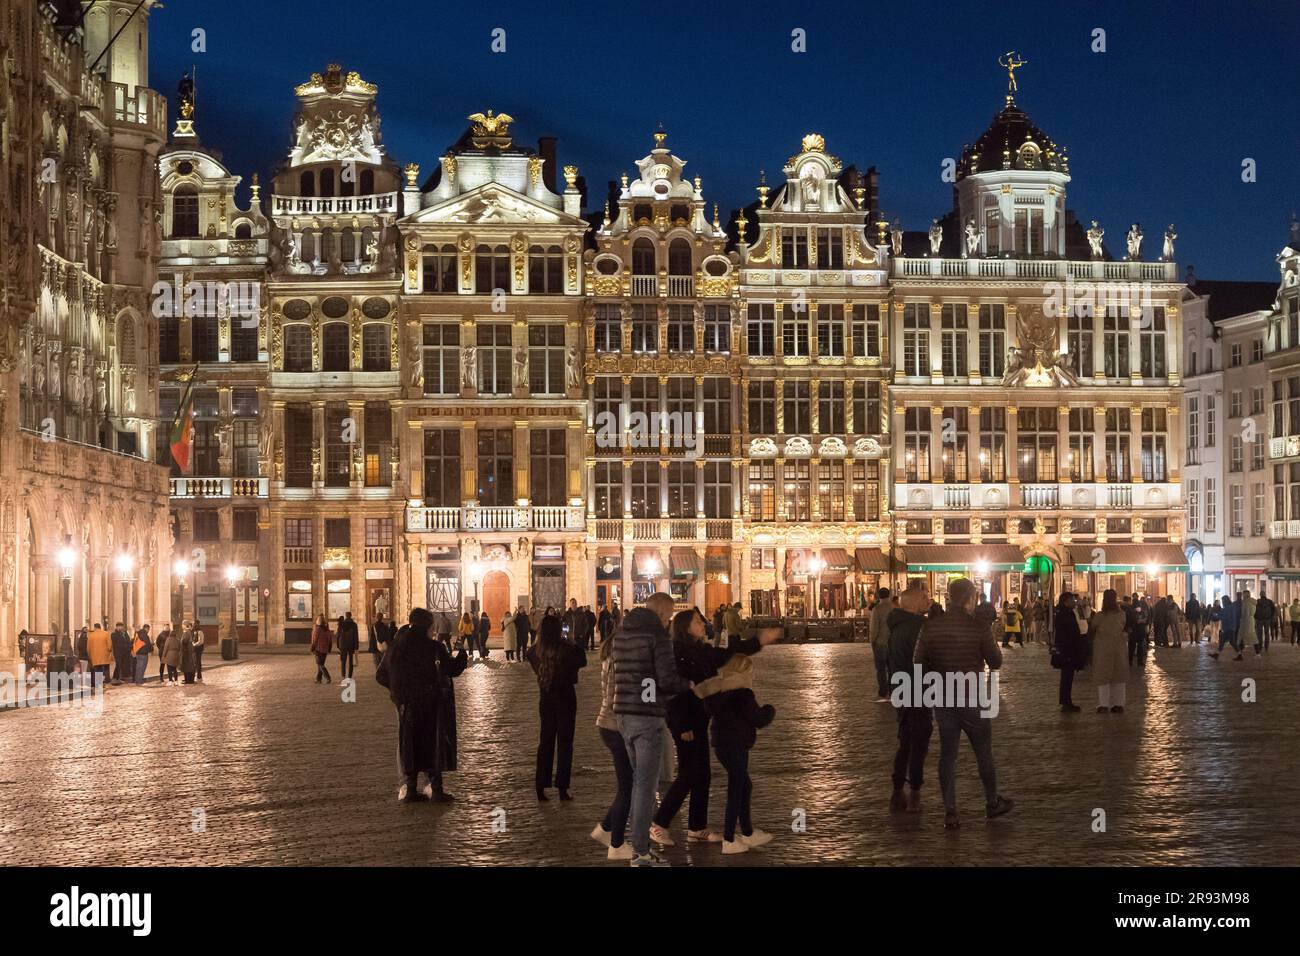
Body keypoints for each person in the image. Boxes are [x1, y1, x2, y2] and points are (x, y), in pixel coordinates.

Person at [652, 607, 773, 845]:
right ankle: (659, 823)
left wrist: (759, 641)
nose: (703, 624)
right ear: (685, 627)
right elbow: (671, 693)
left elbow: (727, 653)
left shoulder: (701, 650)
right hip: (684, 721)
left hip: (699, 718)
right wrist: (682, 726)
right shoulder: (676, 653)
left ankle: (697, 827)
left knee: (703, 774)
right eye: (698, 621)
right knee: (688, 774)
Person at [913, 578, 1012, 830]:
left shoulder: (930, 627)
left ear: (949, 596)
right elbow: (996, 661)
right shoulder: (978, 627)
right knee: (983, 753)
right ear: (970, 598)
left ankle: (951, 812)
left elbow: (918, 663)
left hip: (944, 700)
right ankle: (991, 803)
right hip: (973, 698)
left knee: (948, 755)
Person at [612, 592, 689, 867]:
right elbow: (666, 680)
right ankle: (641, 853)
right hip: (647, 717)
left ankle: (640, 847)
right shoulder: (658, 636)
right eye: (668, 616)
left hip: (623, 713)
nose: (669, 622)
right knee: (646, 785)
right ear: (660, 614)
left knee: (637, 783)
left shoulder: (621, 634)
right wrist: (688, 684)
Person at [376, 607, 468, 802]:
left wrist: (398, 694)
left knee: (410, 744)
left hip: (407, 705)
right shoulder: (434, 648)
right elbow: (452, 669)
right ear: (427, 626)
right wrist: (462, 653)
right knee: (432, 745)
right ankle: (436, 789)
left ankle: (410, 789)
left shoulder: (397, 647)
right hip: (431, 704)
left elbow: (381, 675)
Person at [694, 650, 776, 854]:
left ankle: (747, 831)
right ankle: (729, 839)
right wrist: (769, 709)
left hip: (723, 743)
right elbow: (758, 719)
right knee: (736, 788)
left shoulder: (718, 691)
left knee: (744, 785)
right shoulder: (742, 693)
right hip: (736, 743)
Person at [527, 614, 587, 801]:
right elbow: (582, 660)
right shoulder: (567, 649)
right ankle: (562, 786)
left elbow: (531, 655)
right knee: (564, 743)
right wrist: (570, 640)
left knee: (545, 742)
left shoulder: (535, 652)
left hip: (546, 698)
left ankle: (540, 785)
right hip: (566, 698)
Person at [886, 582, 933, 812]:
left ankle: (897, 790)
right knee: (919, 743)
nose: (929, 600)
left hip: (901, 690)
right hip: (920, 690)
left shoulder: (896, 626)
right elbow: (929, 660)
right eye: (925, 597)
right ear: (914, 604)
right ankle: (914, 792)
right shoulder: (920, 627)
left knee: (905, 741)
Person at [591, 619, 634, 861]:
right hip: (616, 726)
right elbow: (622, 694)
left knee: (628, 784)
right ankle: (617, 844)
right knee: (628, 787)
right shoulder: (622, 656)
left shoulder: (613, 651)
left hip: (609, 724)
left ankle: (607, 829)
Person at [1088, 589, 1129, 713]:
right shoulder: (1121, 615)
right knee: (1119, 677)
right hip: (1118, 649)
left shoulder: (1099, 616)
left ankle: (1104, 704)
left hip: (1102, 650)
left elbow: (1093, 628)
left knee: (1103, 677)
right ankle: (1119, 704)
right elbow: (1124, 626)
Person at [1054, 592, 1086, 713]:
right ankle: (1066, 703)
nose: (1074, 602)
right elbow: (1067, 634)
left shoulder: (1068, 613)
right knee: (1067, 676)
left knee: (1068, 676)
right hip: (1067, 650)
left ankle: (1066, 701)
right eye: (1072, 600)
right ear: (1066, 601)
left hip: (1069, 649)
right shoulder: (1064, 614)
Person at [868, 587, 892, 702]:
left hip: (881, 643)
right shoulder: (895, 608)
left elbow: (874, 629)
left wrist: (872, 641)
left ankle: (883, 693)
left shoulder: (877, 609)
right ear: (889, 595)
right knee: (892, 668)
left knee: (881, 669)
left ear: (878, 596)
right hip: (893, 643)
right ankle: (893, 691)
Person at [1210, 594, 1242, 661]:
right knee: (1229, 641)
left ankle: (1239, 655)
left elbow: (1224, 616)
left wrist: (1216, 615)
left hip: (1228, 627)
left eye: (1223, 601)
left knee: (1227, 641)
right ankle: (1217, 654)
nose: (1222, 602)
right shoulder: (1231, 607)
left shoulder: (1228, 608)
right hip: (1231, 627)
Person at [86, 622, 112, 689]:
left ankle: (98, 684)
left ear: (95, 628)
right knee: (106, 669)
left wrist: (89, 655)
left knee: (97, 669)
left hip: (95, 655)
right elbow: (109, 645)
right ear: (100, 627)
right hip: (105, 655)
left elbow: (88, 647)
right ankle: (107, 683)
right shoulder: (106, 633)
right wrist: (109, 651)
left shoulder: (91, 635)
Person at [310, 614, 333, 683]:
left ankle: (328, 677)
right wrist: (329, 648)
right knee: (320, 664)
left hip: (318, 649)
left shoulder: (317, 629)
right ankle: (318, 679)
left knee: (320, 664)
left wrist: (312, 648)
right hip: (325, 649)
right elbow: (330, 640)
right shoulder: (327, 630)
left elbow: (314, 640)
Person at [337, 612, 359, 680]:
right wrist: (356, 646)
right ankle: (349, 676)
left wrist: (338, 646)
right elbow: (356, 636)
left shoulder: (341, 624)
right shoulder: (354, 625)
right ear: (350, 616)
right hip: (351, 644)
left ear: (346, 616)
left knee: (343, 661)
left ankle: (343, 675)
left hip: (343, 645)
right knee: (350, 661)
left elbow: (338, 636)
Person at [1254, 587, 1273, 654]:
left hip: (1259, 620)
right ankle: (1266, 647)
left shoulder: (1257, 601)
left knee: (1259, 634)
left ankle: (1260, 647)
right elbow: (1273, 610)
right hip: (1267, 619)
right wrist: (1271, 617)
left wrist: (1255, 617)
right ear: (1265, 595)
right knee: (1267, 633)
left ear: (1260, 595)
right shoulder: (1269, 601)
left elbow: (1254, 610)